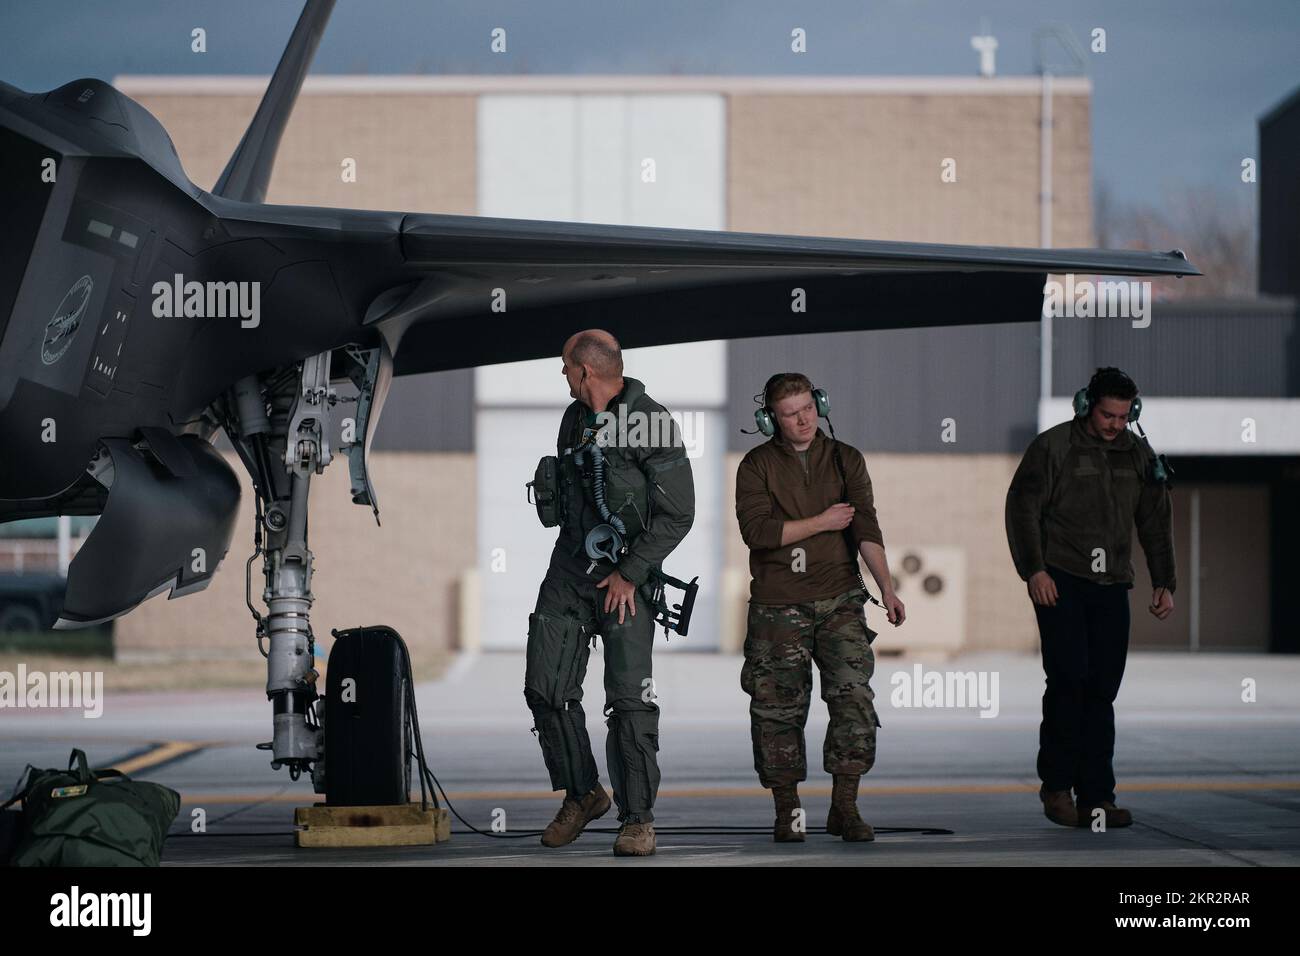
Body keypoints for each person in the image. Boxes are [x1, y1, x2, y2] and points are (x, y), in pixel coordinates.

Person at [523, 329, 695, 856]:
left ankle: (637, 818)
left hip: (627, 579)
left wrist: (630, 573)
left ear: (586, 371)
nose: (562, 376)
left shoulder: (652, 422)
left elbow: (678, 514)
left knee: (628, 702)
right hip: (572, 569)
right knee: (546, 687)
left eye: (565, 367)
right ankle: (582, 794)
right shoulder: (573, 420)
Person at [734, 372, 904, 842]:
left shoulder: (846, 459)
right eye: (790, 413)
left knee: (853, 698)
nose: (803, 419)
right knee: (777, 710)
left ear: (821, 405)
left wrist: (887, 588)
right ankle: (787, 811)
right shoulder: (756, 466)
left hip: (840, 600)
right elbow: (760, 533)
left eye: (808, 407)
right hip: (777, 605)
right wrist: (821, 522)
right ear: (771, 419)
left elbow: (865, 528)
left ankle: (844, 807)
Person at [1005, 366, 1176, 829]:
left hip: (1112, 585)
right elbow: (1022, 509)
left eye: (1123, 416)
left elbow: (1155, 521)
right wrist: (1034, 570)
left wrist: (1165, 581)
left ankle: (1097, 797)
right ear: (1086, 405)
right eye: (1107, 415)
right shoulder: (1054, 447)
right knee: (1068, 682)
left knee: (1102, 692)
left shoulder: (1137, 453)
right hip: (1062, 579)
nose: (1114, 424)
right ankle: (1057, 787)